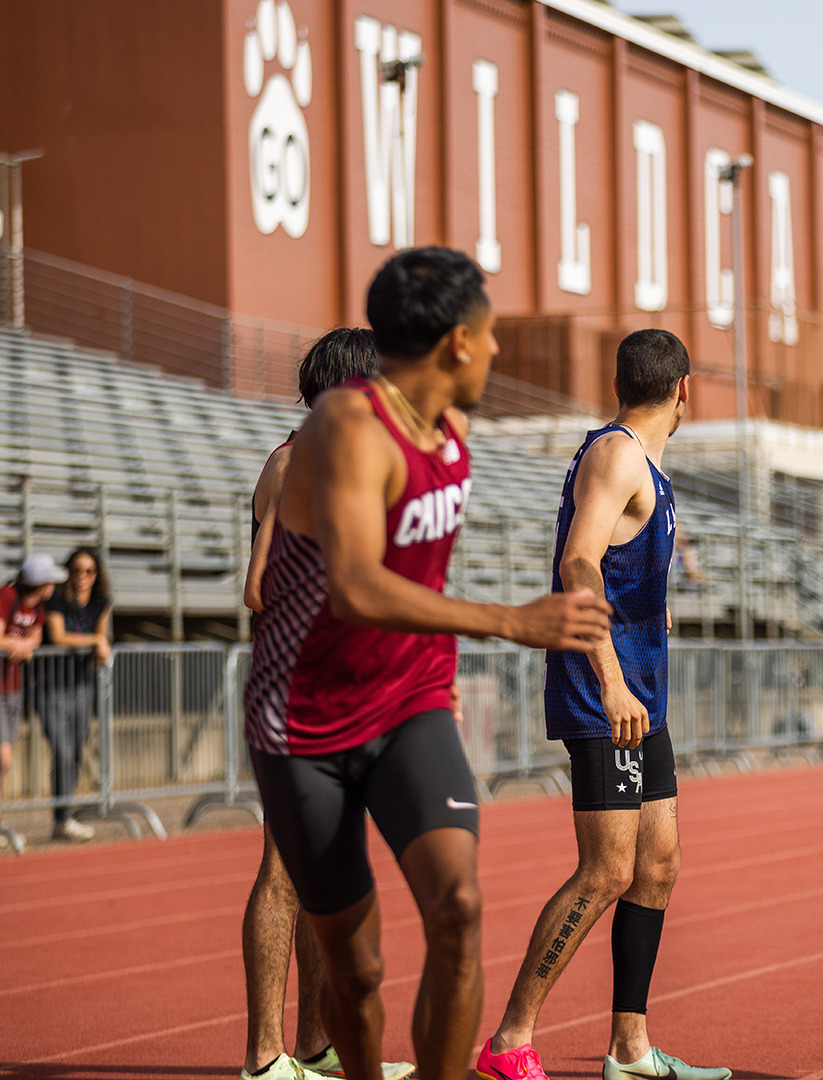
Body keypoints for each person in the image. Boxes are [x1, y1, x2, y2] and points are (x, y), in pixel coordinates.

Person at [243, 246, 611, 1080]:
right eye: (489, 333)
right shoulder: (339, 431)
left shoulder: (453, 423)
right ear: (455, 341)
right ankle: (325, 1061)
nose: (497, 351)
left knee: (460, 908)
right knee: (357, 965)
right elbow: (355, 587)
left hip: (409, 698)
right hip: (306, 717)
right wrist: (510, 620)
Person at [478, 331, 727, 1080]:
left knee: (658, 866)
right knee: (606, 872)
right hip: (606, 691)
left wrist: (653, 611)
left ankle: (629, 1046)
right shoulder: (618, 454)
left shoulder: (650, 465)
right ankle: (511, 1039)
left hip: (643, 691)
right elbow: (579, 561)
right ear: (686, 388)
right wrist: (612, 677)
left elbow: (616, 567)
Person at [239, 326, 386, 1080]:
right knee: (285, 870)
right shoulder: (296, 465)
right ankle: (266, 1056)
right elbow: (265, 590)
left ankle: (315, 1047)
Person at [0, 554, 63, 845]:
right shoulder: (6, 595)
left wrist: (24, 644)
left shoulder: (38, 607)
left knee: (1, 760)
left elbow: (36, 636)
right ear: (40, 582)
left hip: (13, 686)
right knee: (2, 757)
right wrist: (19, 644)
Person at [38, 547, 112, 842]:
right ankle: (62, 817)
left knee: (76, 752)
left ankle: (65, 815)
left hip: (82, 684)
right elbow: (57, 637)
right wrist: (94, 640)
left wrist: (99, 645)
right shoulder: (55, 599)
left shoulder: (101, 602)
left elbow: (103, 640)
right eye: (77, 570)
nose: (82, 577)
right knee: (63, 751)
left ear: (96, 575)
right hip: (51, 685)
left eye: (89, 571)